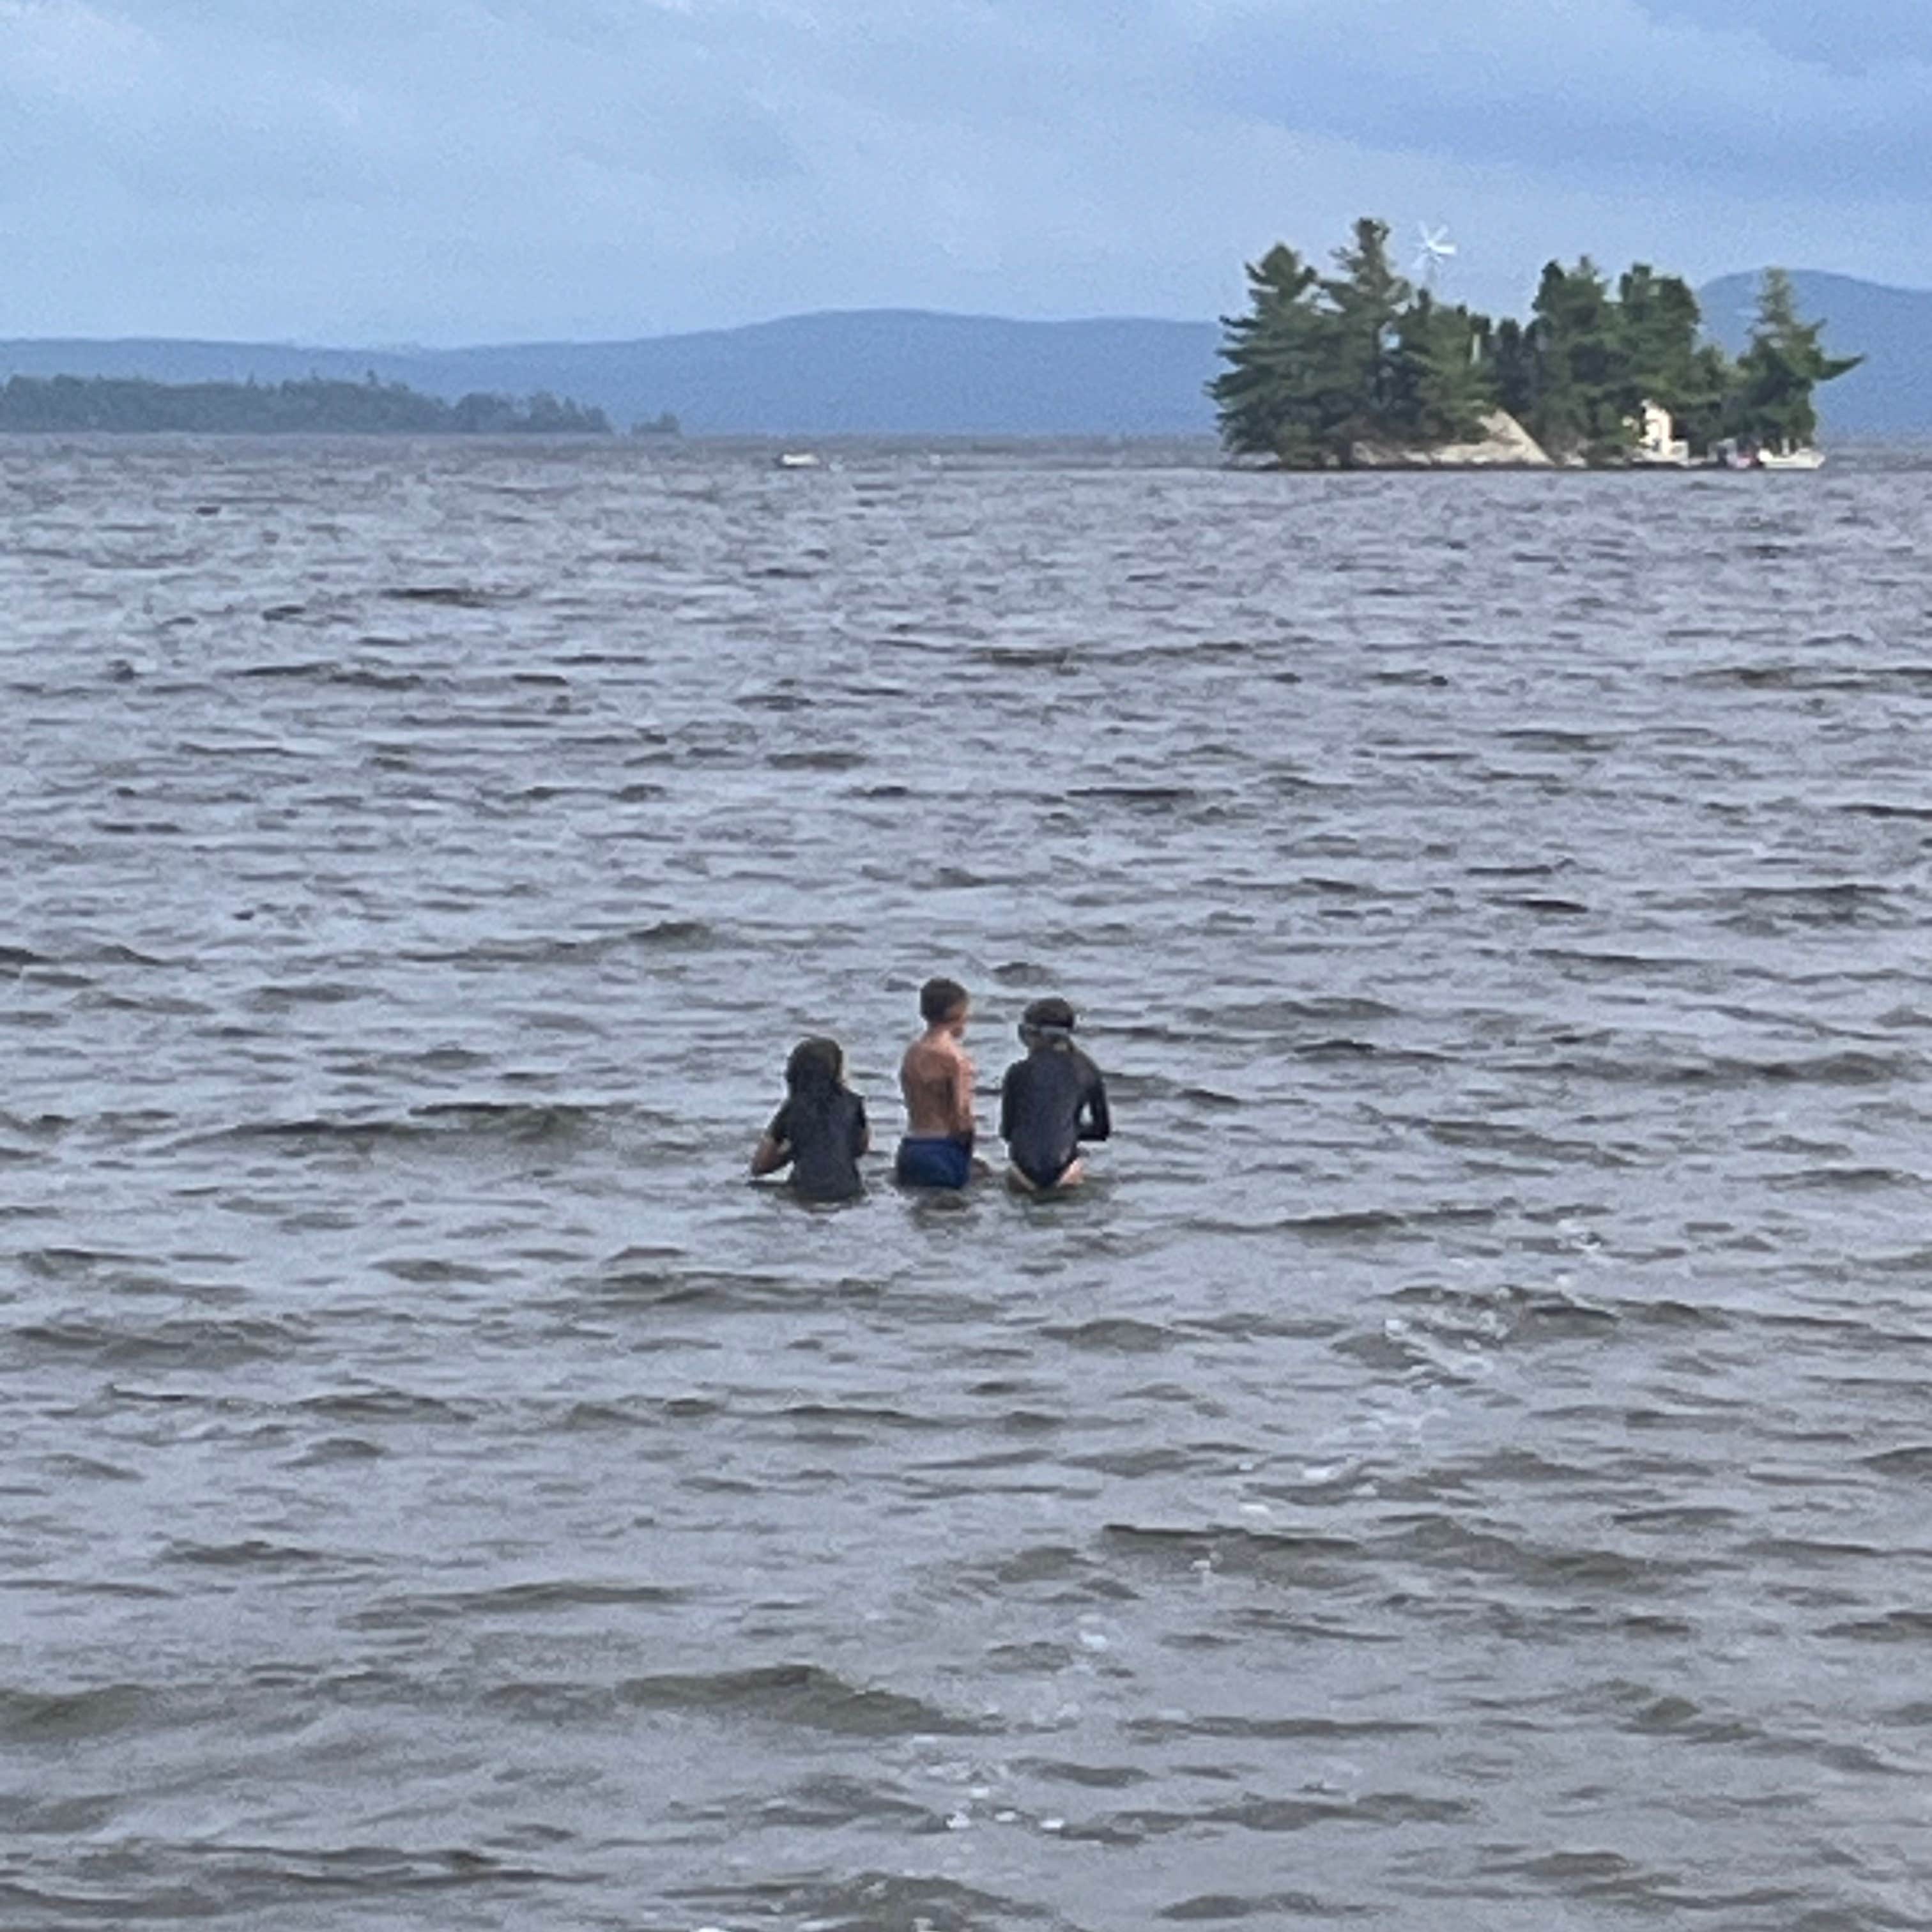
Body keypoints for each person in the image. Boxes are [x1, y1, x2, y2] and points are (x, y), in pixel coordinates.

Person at [999, 996, 1110, 1193]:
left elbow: (1007, 1132)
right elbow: (1102, 1130)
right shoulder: (1087, 1070)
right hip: (1066, 1170)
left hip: (1022, 1172)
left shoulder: (1017, 1072)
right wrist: (1069, 1128)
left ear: (1033, 1035)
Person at [751, 1036, 868, 1201]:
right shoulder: (854, 1104)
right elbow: (862, 1148)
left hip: (805, 1189)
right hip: (849, 1190)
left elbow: (760, 1166)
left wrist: (793, 1150)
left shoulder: (792, 1109)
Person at [894, 976, 976, 1188]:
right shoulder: (955, 1059)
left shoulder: (912, 1053)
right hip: (943, 1147)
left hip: (911, 1146)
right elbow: (962, 1114)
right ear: (956, 1013)